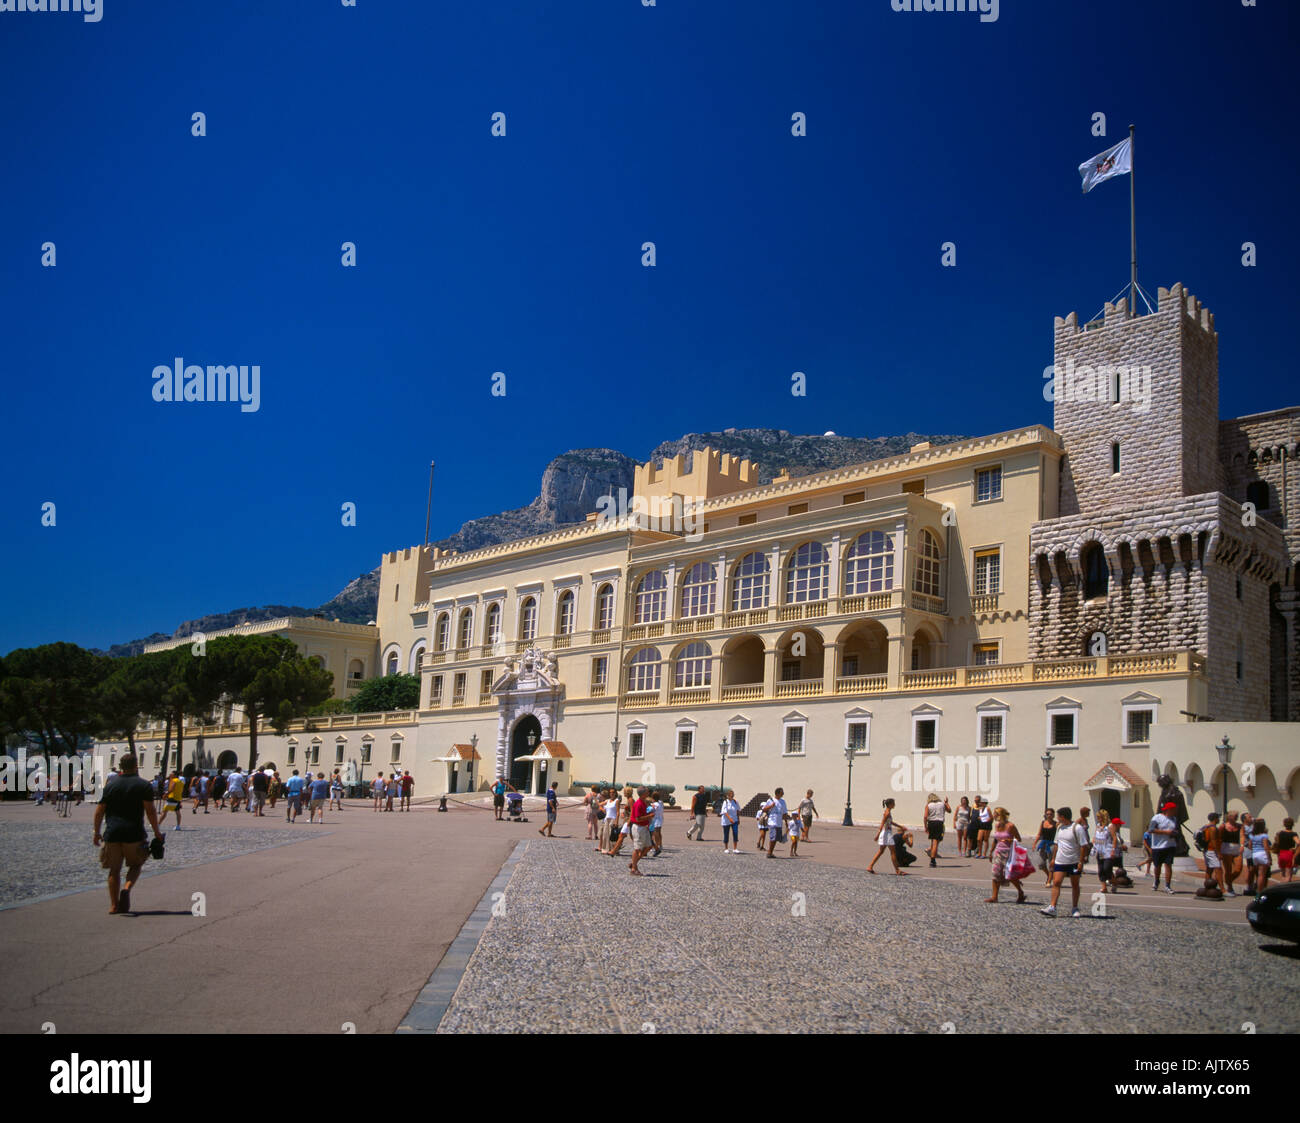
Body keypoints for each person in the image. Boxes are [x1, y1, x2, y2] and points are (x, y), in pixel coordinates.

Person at [93, 753, 164, 915]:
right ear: (135, 765)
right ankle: (126, 889)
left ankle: (113, 905)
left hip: (112, 833)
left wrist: (96, 832)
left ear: (120, 766)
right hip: (134, 833)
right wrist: (156, 832)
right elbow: (150, 811)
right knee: (135, 865)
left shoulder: (110, 786)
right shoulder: (143, 785)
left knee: (114, 870)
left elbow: (99, 812)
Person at [1042, 806, 1089, 918]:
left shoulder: (1077, 828)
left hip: (1073, 861)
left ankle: (1074, 907)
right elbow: (1057, 844)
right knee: (1056, 882)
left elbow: (1083, 846)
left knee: (1075, 884)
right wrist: (1053, 859)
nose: (1057, 818)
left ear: (1063, 816)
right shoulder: (1059, 828)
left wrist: (1081, 862)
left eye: (1058, 816)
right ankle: (1052, 907)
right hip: (1060, 860)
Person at [985, 806, 1027, 904]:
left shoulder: (1010, 826)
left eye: (995, 813)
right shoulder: (997, 825)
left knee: (1010, 875)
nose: (993, 815)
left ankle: (1020, 892)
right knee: (995, 874)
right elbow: (996, 839)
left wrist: (1009, 840)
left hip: (1009, 852)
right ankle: (994, 896)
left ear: (1000, 815)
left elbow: (1018, 839)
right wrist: (991, 852)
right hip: (998, 852)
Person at [1148, 800, 1178, 894]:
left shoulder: (1174, 819)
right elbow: (1151, 829)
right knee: (1157, 865)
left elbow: (1175, 829)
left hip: (1170, 845)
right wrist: (1165, 832)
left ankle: (1168, 885)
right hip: (1158, 846)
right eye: (1173, 809)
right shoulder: (1157, 818)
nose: (1174, 811)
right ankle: (1156, 881)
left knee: (1168, 864)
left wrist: (1174, 833)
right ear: (1167, 810)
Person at [867, 798, 904, 875]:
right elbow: (882, 824)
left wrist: (900, 826)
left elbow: (891, 822)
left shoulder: (888, 812)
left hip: (886, 833)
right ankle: (897, 870)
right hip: (887, 834)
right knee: (893, 852)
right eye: (893, 803)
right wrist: (877, 835)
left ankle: (870, 866)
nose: (894, 805)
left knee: (881, 851)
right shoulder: (887, 813)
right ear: (890, 804)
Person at [628, 786, 655, 876]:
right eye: (647, 792)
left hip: (644, 827)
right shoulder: (639, 803)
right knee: (637, 848)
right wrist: (649, 816)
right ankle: (634, 868)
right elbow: (638, 818)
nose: (648, 793)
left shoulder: (643, 802)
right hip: (638, 827)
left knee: (649, 846)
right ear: (643, 794)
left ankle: (634, 863)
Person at [1092, 809, 1121, 894]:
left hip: (1108, 850)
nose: (1098, 819)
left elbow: (1114, 838)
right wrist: (1094, 843)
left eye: (1099, 817)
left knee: (1107, 869)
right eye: (1097, 817)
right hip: (1100, 850)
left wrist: (1113, 850)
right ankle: (1104, 887)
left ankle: (1114, 882)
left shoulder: (1110, 826)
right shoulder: (1098, 825)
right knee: (1101, 870)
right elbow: (1095, 835)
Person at [1199, 811, 1225, 896]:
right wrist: (1218, 853)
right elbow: (1214, 841)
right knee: (1218, 869)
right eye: (1218, 818)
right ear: (1215, 819)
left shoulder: (1205, 827)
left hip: (1207, 850)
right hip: (1212, 851)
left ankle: (1207, 887)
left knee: (1209, 869)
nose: (1219, 820)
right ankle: (1223, 889)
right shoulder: (1213, 828)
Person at [1032, 808, 1057, 887]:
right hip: (1043, 844)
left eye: (1050, 814)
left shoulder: (1056, 824)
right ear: (1045, 815)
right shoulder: (1043, 823)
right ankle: (1049, 875)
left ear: (1053, 815)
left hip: (1052, 845)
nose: (1049, 815)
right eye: (1047, 814)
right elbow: (1039, 834)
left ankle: (1049, 881)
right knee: (1041, 864)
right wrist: (1035, 843)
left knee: (1051, 864)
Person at [923, 793, 950, 867]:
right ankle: (933, 860)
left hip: (931, 823)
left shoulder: (928, 805)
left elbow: (925, 817)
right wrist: (946, 803)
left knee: (933, 841)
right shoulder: (942, 804)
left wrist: (925, 827)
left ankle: (932, 856)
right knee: (935, 842)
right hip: (939, 823)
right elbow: (949, 810)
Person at [1220, 811, 1242, 895]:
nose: (1236, 817)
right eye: (1234, 816)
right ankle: (1230, 887)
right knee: (1228, 869)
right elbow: (1219, 837)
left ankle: (1228, 880)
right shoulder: (1223, 826)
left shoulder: (1240, 826)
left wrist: (1242, 845)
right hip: (1226, 848)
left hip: (1236, 848)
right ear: (1229, 817)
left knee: (1238, 869)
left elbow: (1242, 836)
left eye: (1237, 816)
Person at [1247, 819, 1271, 896]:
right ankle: (1259, 892)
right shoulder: (1264, 836)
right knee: (1262, 875)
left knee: (1258, 873)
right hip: (1262, 854)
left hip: (1255, 854)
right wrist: (1269, 858)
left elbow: (1250, 846)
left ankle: (1258, 889)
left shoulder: (1252, 836)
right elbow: (1266, 847)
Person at [764, 788, 790, 859]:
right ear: (777, 793)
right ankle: (769, 852)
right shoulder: (770, 800)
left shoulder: (783, 801)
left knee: (776, 838)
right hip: (772, 821)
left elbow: (784, 813)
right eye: (782, 793)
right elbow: (764, 809)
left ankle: (771, 852)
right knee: (773, 837)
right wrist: (771, 806)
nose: (783, 794)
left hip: (779, 822)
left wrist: (786, 822)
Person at [1275, 818, 1297, 883]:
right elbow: (1298, 843)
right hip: (1289, 854)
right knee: (1288, 875)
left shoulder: (1280, 833)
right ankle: (1286, 889)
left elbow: (1277, 843)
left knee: (1283, 874)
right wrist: (1295, 849)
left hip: (1281, 854)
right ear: (1292, 824)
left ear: (1284, 824)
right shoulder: (1293, 834)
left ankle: (1281, 888)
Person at [598, 788, 619, 853]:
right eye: (610, 792)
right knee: (605, 834)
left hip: (613, 818)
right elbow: (599, 804)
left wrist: (616, 821)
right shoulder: (608, 800)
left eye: (613, 792)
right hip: (607, 819)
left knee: (611, 835)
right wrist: (602, 809)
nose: (611, 794)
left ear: (615, 793)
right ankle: (605, 849)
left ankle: (613, 849)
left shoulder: (617, 801)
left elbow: (618, 812)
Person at [720, 789, 740, 853]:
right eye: (730, 795)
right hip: (726, 821)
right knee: (726, 834)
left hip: (735, 820)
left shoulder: (735, 802)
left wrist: (738, 818)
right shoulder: (725, 802)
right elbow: (724, 812)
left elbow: (738, 810)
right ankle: (726, 848)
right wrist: (729, 819)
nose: (732, 796)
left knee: (735, 833)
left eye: (732, 795)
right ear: (727, 795)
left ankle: (735, 848)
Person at [650, 789, 664, 855]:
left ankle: (656, 845)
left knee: (655, 833)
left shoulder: (654, 804)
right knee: (659, 832)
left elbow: (650, 810)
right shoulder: (660, 802)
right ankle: (660, 845)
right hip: (660, 818)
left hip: (655, 819)